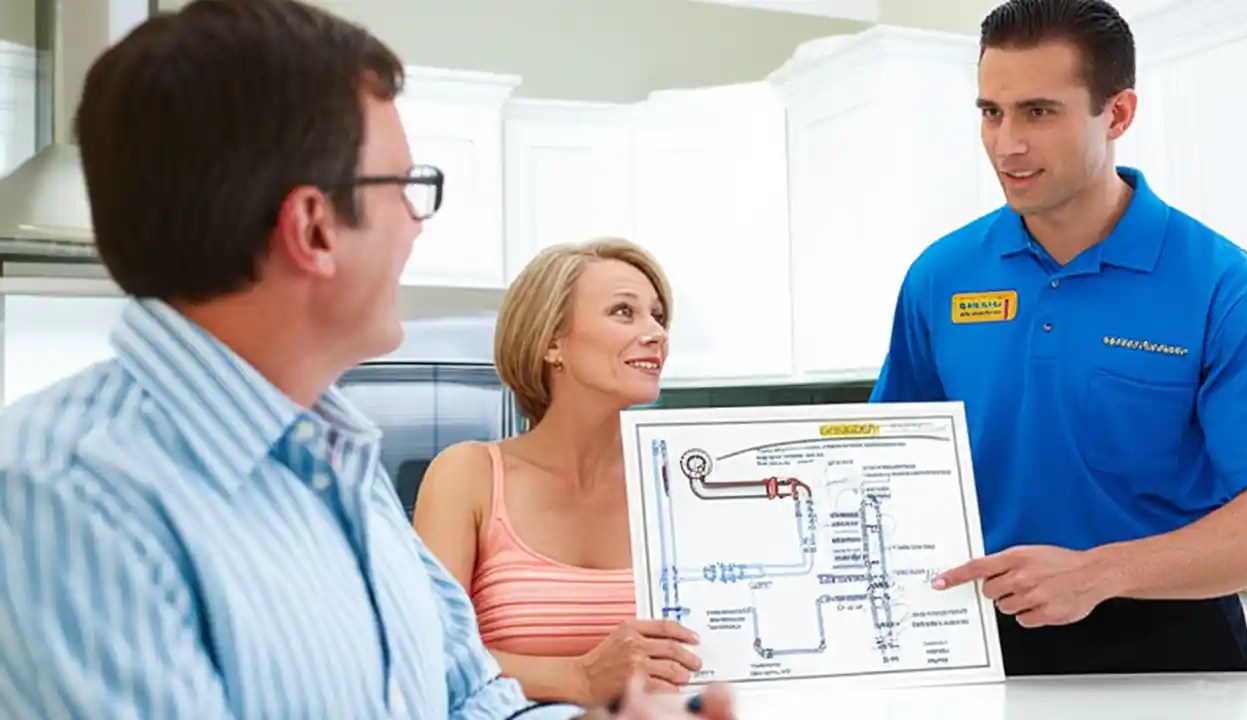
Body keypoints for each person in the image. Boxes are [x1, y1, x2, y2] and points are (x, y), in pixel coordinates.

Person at [0, 2, 734, 718]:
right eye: (406, 189)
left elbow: (467, 697)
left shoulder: (339, 464)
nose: (418, 227)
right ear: (314, 228)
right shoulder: (66, 496)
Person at [871, 0, 1247, 676]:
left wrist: (1097, 573)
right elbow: (886, 465)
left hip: (1172, 643)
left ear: (1117, 114)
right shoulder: (939, 277)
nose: (1007, 144)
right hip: (972, 636)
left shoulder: (1228, 288)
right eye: (991, 112)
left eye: (1039, 112)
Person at [413, 239, 704, 707]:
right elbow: (424, 657)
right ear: (552, 343)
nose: (656, 334)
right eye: (624, 312)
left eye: (657, 316)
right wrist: (579, 679)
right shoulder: (467, 477)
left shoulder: (679, 485)